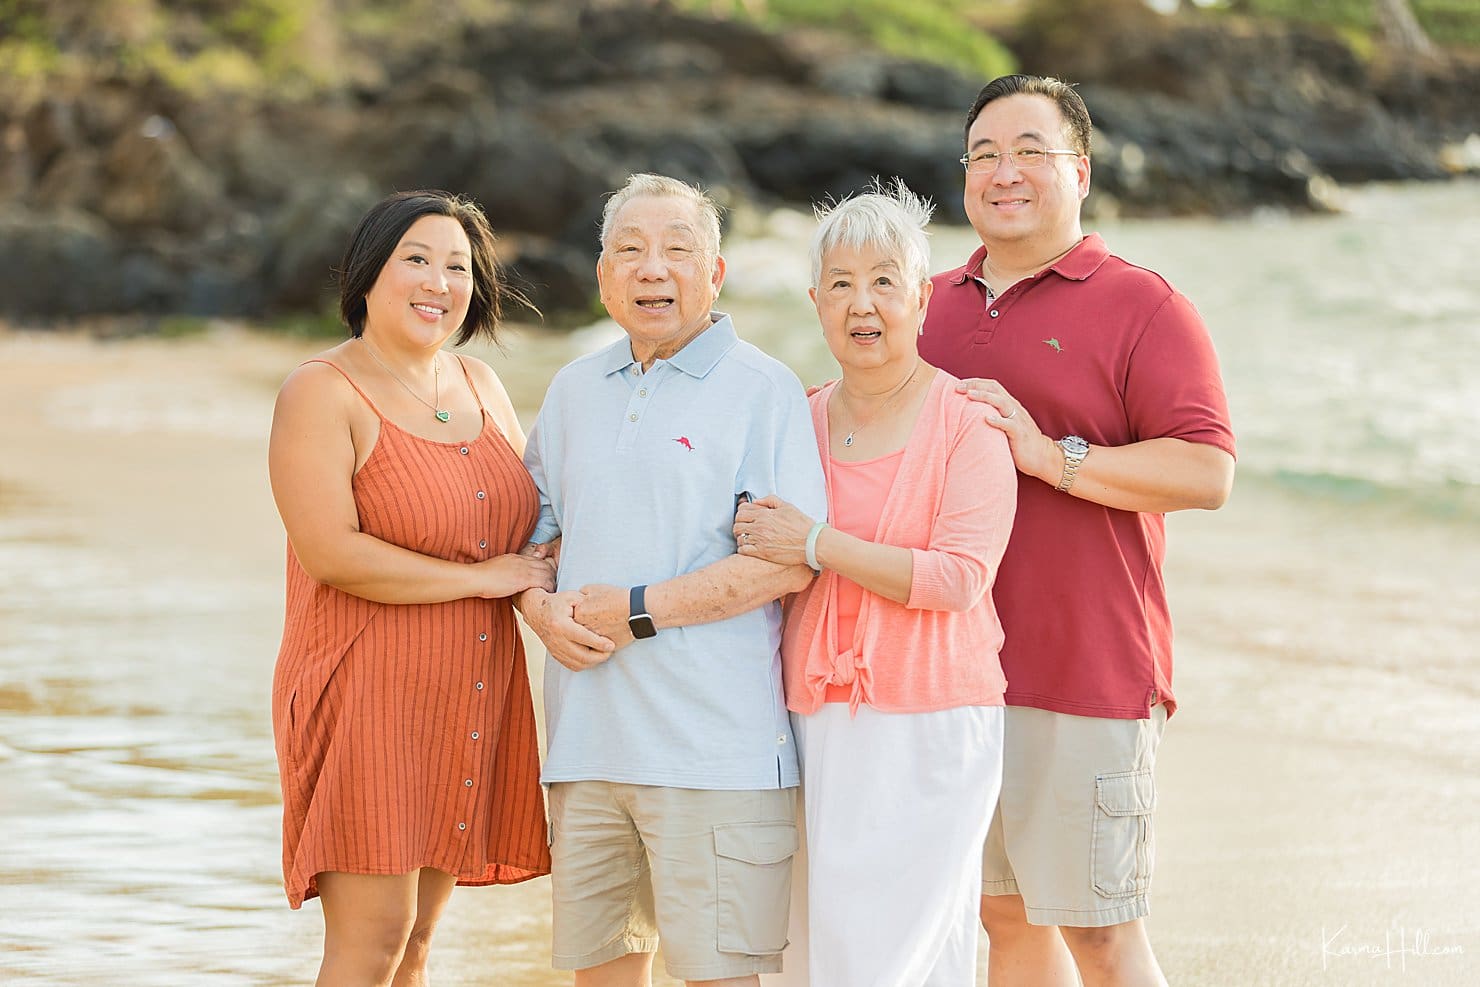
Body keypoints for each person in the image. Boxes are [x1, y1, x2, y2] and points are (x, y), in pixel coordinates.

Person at [917, 75, 1237, 987]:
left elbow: (1207, 472)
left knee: (1101, 931)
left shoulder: (1144, 304)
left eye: (1030, 151)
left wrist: (1048, 454)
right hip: (954, 673)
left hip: (1089, 669)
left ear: (1082, 171)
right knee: (1004, 916)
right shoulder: (927, 303)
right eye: (983, 154)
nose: (1003, 172)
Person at [517, 173, 828, 987]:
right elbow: (531, 540)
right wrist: (539, 613)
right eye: (630, 250)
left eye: (678, 250)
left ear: (716, 273)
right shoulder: (572, 388)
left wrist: (638, 612)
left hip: (713, 755)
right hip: (585, 748)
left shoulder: (765, 390)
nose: (653, 268)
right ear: (603, 277)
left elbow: (789, 559)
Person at [267, 189, 556, 986]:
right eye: (417, 260)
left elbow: (539, 524)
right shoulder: (322, 391)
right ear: (368, 274)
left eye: (458, 266)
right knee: (371, 942)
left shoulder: (480, 383)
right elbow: (331, 553)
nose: (439, 282)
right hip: (367, 688)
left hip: (468, 689)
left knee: (420, 939)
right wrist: (481, 577)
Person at [733, 180, 1018, 986]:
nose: (865, 304)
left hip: (931, 723)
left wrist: (821, 542)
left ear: (923, 297)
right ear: (817, 302)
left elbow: (959, 578)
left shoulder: (968, 422)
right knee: (816, 944)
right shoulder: (800, 415)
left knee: (902, 950)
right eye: (844, 285)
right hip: (812, 721)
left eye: (886, 281)